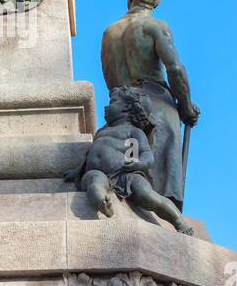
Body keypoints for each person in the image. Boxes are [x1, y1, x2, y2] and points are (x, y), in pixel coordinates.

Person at [100, 0, 199, 212]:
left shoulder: (109, 32)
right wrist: (186, 106)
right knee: (159, 187)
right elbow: (175, 68)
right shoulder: (155, 27)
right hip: (156, 108)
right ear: (156, 2)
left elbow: (109, 77)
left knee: (127, 176)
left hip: (121, 112)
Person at [78, 87, 193, 233]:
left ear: (127, 107)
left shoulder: (133, 132)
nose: (106, 106)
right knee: (94, 182)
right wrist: (77, 170)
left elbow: (146, 156)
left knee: (147, 195)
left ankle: (178, 220)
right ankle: (102, 202)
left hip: (127, 174)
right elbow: (90, 154)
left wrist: (137, 163)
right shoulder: (102, 131)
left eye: (113, 102)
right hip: (98, 172)